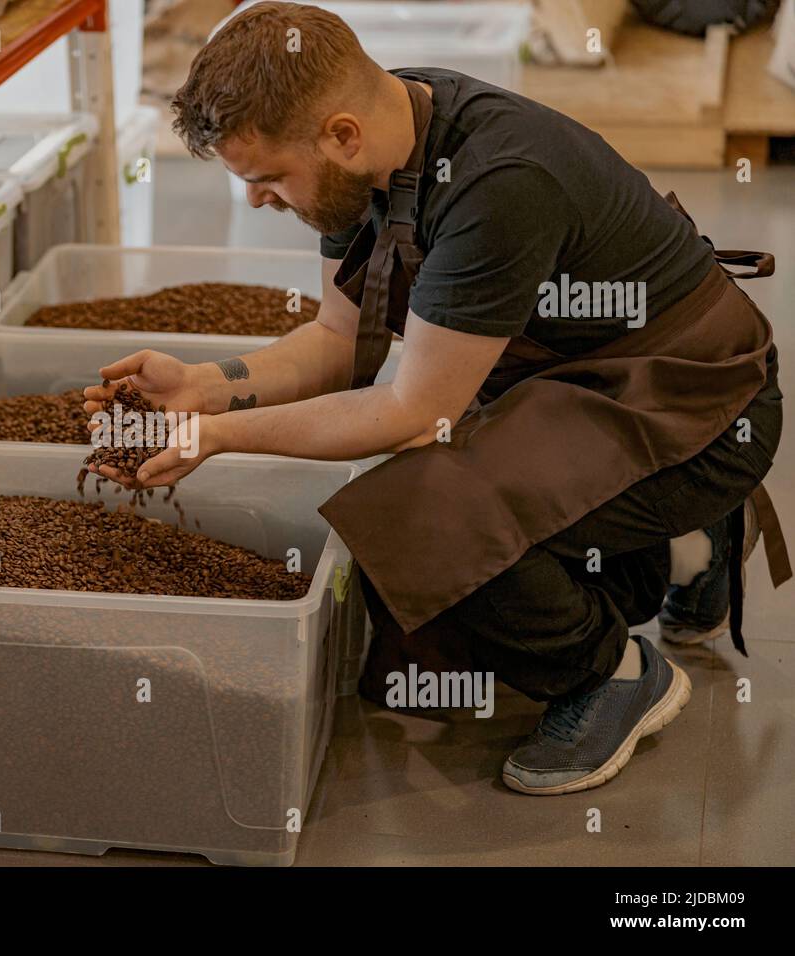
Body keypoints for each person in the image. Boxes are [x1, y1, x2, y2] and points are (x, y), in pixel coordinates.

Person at [84, 1, 787, 794]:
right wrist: (205, 387)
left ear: (341, 134)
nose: (255, 201)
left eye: (267, 177)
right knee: (431, 603)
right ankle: (673, 547)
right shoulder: (374, 150)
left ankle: (615, 674)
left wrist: (210, 439)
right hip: (578, 383)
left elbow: (411, 413)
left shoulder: (500, 183)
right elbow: (338, 344)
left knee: (422, 516)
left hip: (700, 403)